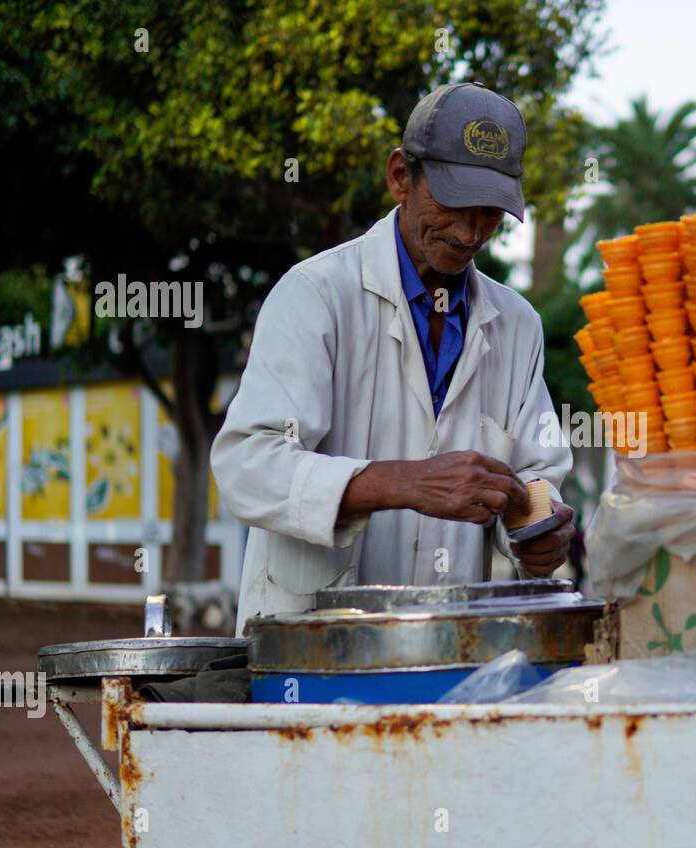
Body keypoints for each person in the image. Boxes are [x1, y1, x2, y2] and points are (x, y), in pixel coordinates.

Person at [212, 82, 574, 638]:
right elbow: (248, 465)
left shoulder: (516, 323)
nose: (471, 232)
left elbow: (536, 475)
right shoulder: (315, 294)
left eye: (491, 213)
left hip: (445, 650)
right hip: (305, 649)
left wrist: (538, 529)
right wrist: (406, 483)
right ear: (401, 176)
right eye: (454, 203)